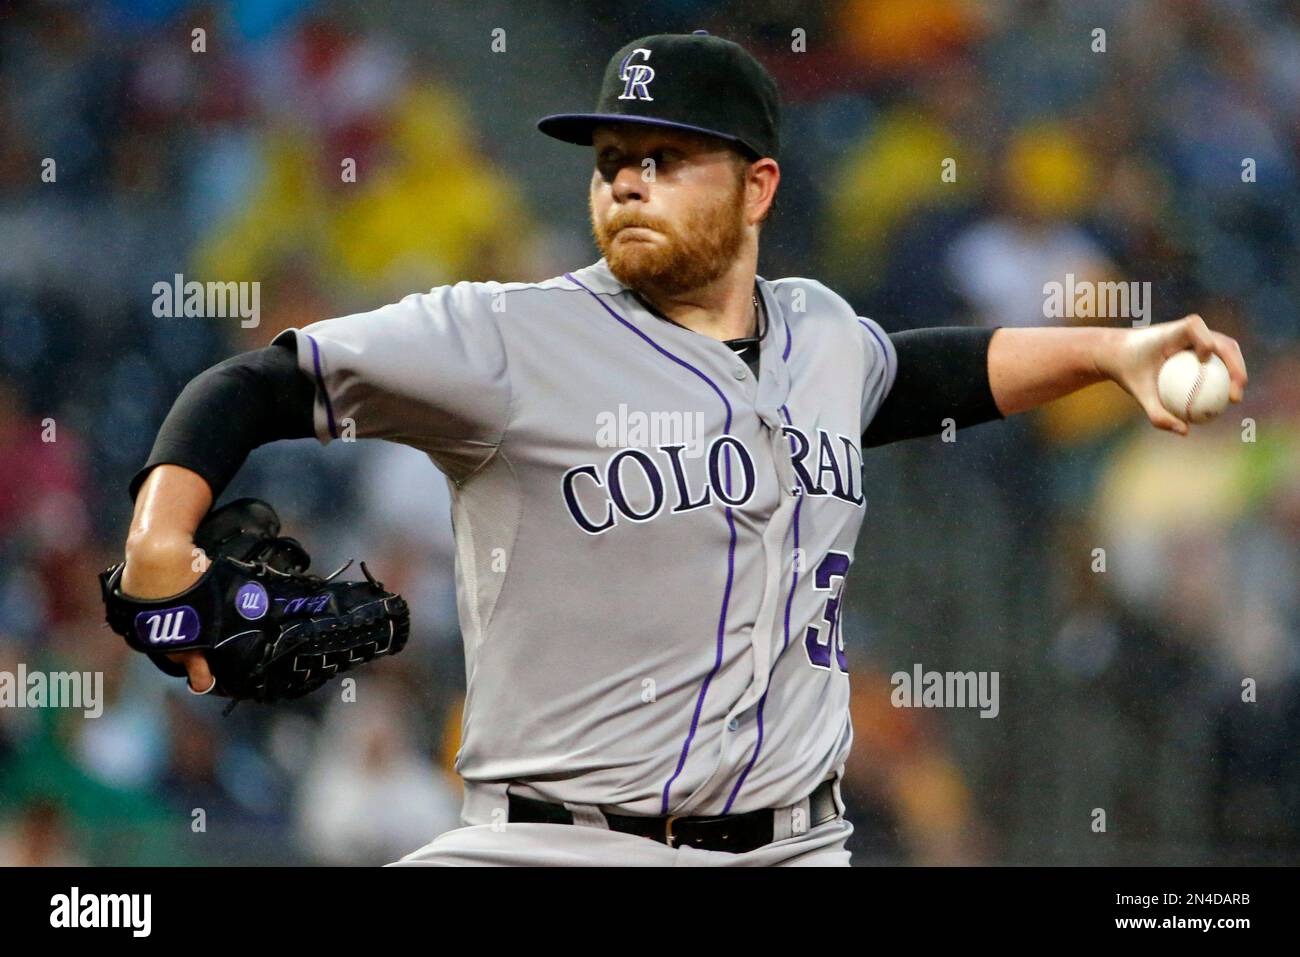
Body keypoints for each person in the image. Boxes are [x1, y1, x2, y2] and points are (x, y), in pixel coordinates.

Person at [114, 32, 1247, 866]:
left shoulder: (819, 336)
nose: (626, 180)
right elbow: (257, 383)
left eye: (667, 156)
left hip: (799, 849)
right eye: (612, 157)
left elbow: (928, 373)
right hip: (554, 847)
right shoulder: (504, 338)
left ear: (758, 186)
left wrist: (1108, 351)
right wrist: (163, 531)